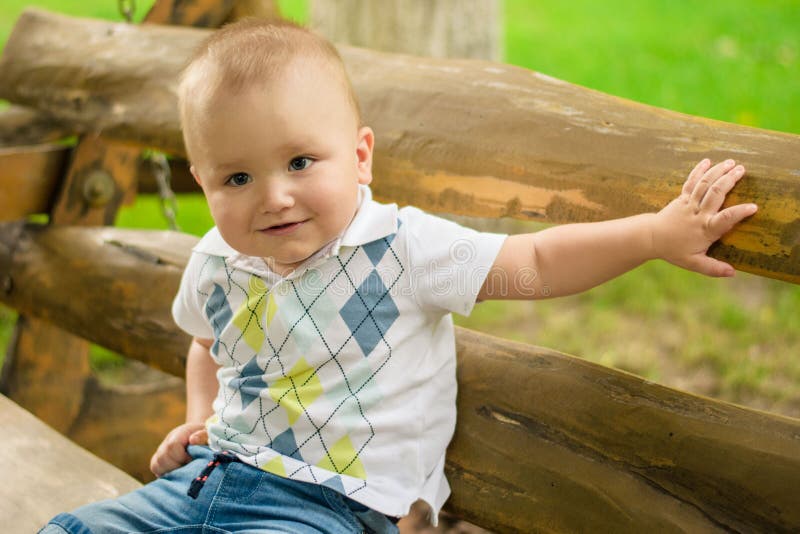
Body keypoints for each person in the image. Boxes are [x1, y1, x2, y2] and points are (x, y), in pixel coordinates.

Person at [40, 18, 758, 534]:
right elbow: (205, 344)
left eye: (300, 162)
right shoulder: (217, 262)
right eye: (237, 176)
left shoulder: (400, 249)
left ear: (361, 157)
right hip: (206, 482)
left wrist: (654, 235)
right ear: (202, 183)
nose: (274, 195)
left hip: (330, 509)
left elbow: (535, 263)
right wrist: (199, 417)